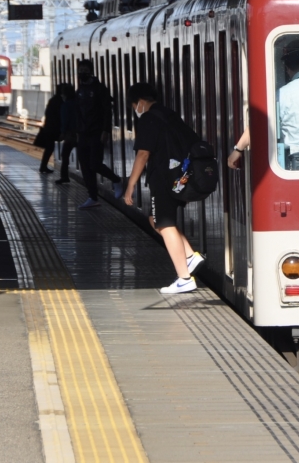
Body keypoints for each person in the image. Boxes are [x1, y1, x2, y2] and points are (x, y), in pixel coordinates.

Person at [123, 82, 205, 294]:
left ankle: (184, 277)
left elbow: (143, 154)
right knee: (156, 220)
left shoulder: (149, 119)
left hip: (164, 179)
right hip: (179, 177)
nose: (135, 110)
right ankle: (189, 256)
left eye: (134, 106)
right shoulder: (170, 115)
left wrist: (130, 185)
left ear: (140, 102)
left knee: (164, 223)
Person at [74, 60, 123, 209]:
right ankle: (92, 197)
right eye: (80, 69)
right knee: (85, 166)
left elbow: (107, 110)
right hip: (82, 133)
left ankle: (116, 179)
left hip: (96, 132)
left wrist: (105, 131)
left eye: (84, 69)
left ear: (91, 71)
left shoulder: (100, 88)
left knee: (94, 163)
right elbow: (77, 112)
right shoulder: (80, 89)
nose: (82, 72)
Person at [34, 88, 63, 173]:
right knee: (50, 148)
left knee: (49, 148)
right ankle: (43, 167)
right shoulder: (59, 101)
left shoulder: (52, 100)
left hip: (49, 128)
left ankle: (43, 166)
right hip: (53, 128)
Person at [55, 84, 78, 185]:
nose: (61, 96)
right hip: (81, 133)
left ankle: (64, 177)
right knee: (84, 156)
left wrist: (62, 133)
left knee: (64, 155)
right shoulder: (78, 103)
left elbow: (65, 121)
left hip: (70, 135)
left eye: (62, 94)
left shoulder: (66, 105)